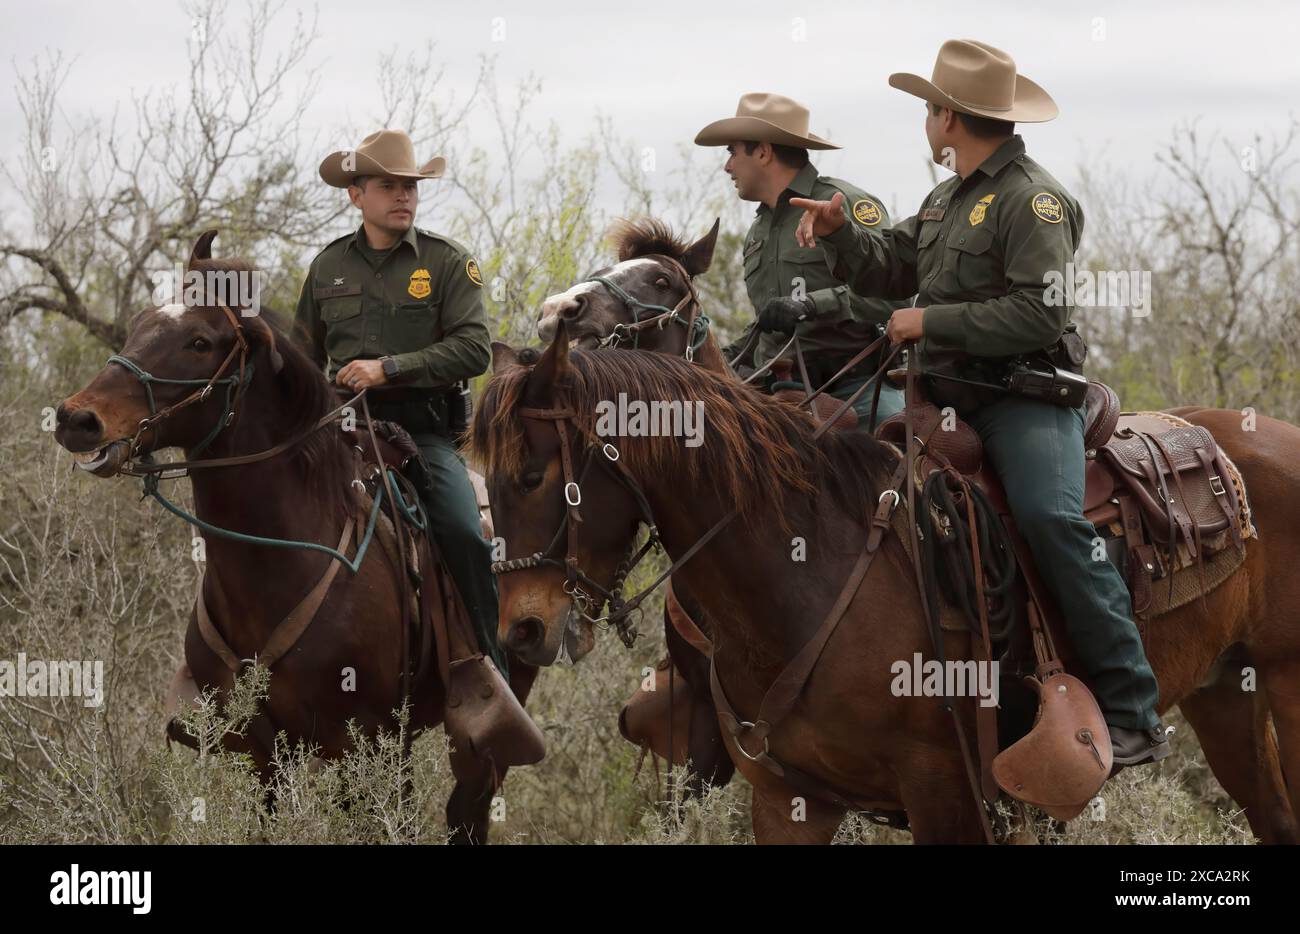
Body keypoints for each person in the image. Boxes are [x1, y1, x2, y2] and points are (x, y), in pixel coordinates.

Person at [791, 40, 1169, 769]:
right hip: (942, 401)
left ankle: (1132, 710)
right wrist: (843, 236)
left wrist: (930, 322)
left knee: (1050, 520)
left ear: (950, 117)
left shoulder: (1035, 198)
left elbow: (1038, 314)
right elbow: (893, 266)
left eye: (929, 108)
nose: (925, 121)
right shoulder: (947, 197)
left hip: (1020, 399)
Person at [294, 128, 507, 675]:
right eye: (388, 186)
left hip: (423, 436)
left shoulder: (446, 263)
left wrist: (388, 369)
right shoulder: (327, 268)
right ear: (356, 195)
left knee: (462, 532)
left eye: (410, 186)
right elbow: (299, 361)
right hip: (341, 433)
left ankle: (489, 672)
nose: (404, 196)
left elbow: (474, 349)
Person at [694, 93, 906, 428]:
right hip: (779, 397)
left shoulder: (843, 203)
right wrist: (710, 355)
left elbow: (893, 295)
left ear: (763, 151)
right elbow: (771, 319)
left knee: (902, 463)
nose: (727, 166)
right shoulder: (758, 229)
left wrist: (811, 304)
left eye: (732, 152)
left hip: (857, 392)